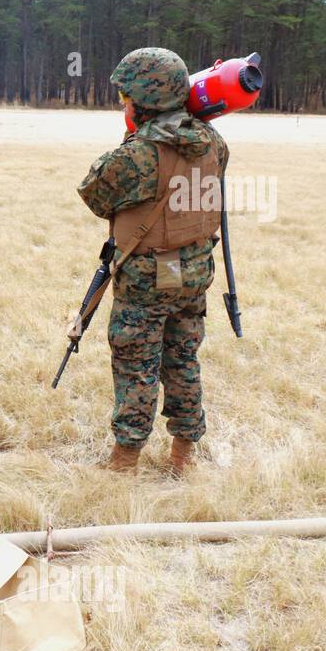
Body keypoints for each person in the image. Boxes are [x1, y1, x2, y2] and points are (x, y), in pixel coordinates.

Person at [77, 47, 230, 476]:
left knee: (136, 364)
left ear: (143, 99)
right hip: (196, 269)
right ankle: (184, 453)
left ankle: (125, 459)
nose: (122, 102)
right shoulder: (214, 141)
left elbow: (95, 195)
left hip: (149, 277)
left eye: (126, 95)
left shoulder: (137, 154)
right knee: (183, 358)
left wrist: (130, 141)